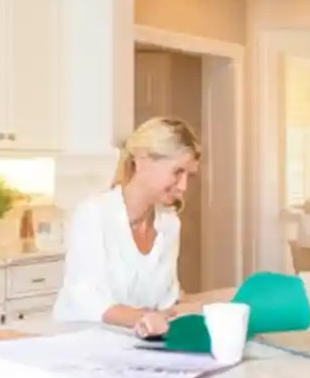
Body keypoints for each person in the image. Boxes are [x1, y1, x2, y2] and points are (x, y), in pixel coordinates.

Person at [52, 116, 201, 338]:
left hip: (133, 349)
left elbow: (167, 301)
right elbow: (87, 299)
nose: (183, 186)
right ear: (142, 161)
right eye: (177, 172)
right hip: (80, 344)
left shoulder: (169, 224)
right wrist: (143, 319)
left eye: (189, 175)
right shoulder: (94, 214)